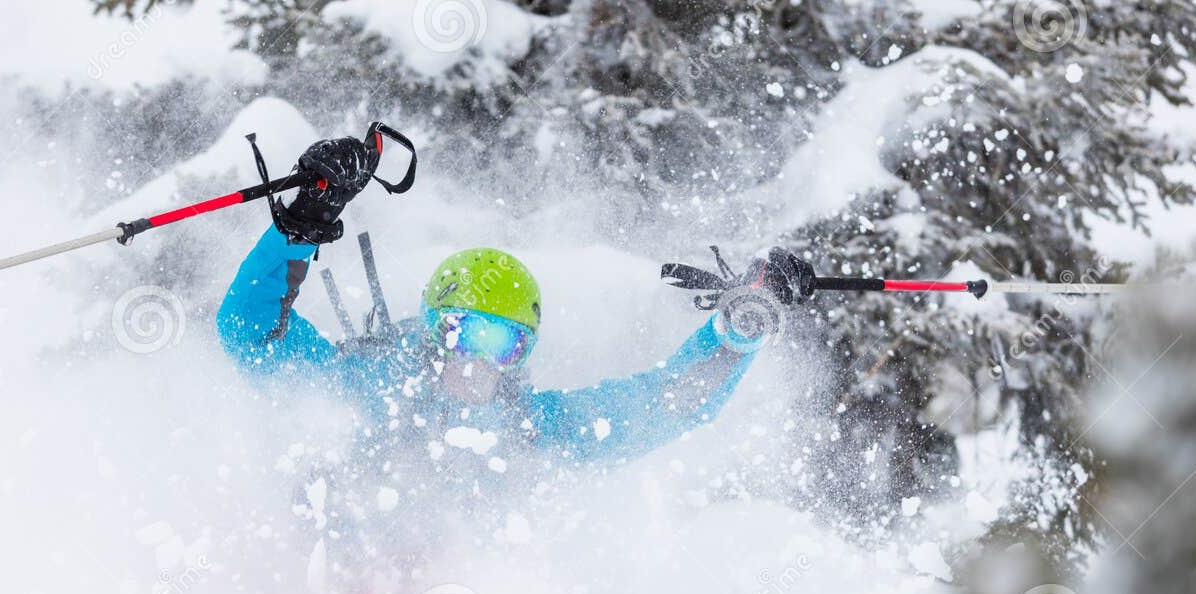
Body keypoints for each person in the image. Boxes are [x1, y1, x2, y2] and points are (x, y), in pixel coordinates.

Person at [215, 140, 815, 471]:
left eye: (505, 343)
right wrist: (302, 225)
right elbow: (246, 329)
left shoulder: (534, 430)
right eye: (465, 334)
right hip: (337, 592)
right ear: (432, 331)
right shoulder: (363, 386)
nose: (481, 359)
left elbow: (666, 405)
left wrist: (737, 331)